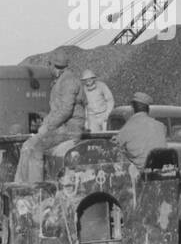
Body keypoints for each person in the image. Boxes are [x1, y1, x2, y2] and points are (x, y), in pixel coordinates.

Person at [15, 49, 86, 183]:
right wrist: (45, 125)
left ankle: (36, 188)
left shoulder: (68, 81)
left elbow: (65, 110)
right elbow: (55, 111)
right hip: (61, 127)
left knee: (36, 149)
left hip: (70, 129)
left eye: (52, 66)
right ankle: (20, 184)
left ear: (52, 65)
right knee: (26, 145)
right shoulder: (60, 81)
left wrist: (47, 126)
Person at [111, 91, 167, 169]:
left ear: (133, 108)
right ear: (148, 109)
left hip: (141, 172)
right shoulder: (161, 126)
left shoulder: (129, 126)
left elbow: (113, 145)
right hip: (161, 170)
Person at [81, 69, 115, 133]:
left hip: (103, 114)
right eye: (86, 80)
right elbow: (83, 106)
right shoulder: (83, 90)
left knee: (106, 134)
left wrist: (107, 113)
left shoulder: (101, 86)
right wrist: (86, 121)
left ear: (93, 78)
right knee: (94, 136)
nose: (88, 81)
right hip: (92, 117)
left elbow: (110, 100)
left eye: (90, 79)